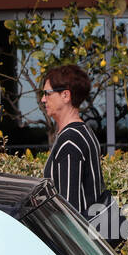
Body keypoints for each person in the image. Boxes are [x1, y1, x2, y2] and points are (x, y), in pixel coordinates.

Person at [40, 65, 105, 220]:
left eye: (47, 93)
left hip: (77, 240)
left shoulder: (70, 140)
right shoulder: (83, 132)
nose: (43, 99)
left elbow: (69, 208)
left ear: (65, 95)